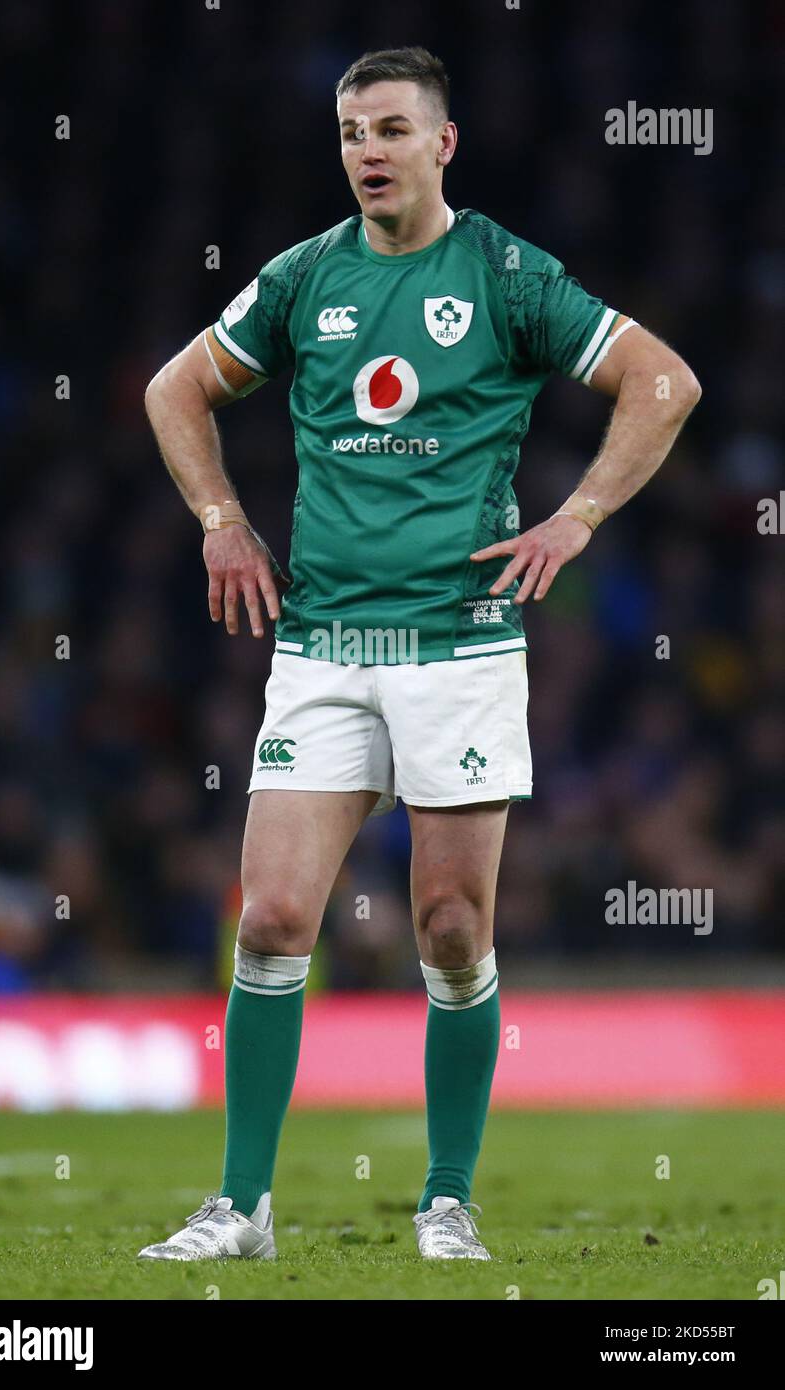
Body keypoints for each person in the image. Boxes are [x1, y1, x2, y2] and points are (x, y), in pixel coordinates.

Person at [139, 45, 700, 1262]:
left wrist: (577, 517)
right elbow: (173, 390)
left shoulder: (506, 274)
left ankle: (447, 1197)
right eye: (351, 134)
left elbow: (663, 382)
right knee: (278, 915)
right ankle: (241, 1208)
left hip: (461, 644)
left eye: (392, 129)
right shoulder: (303, 277)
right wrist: (223, 520)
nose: (368, 153)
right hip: (325, 643)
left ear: (444, 143)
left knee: (450, 925)